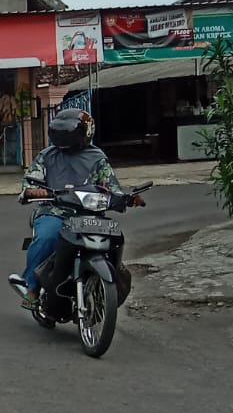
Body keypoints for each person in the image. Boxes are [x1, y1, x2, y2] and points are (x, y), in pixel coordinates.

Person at [9, 107, 140, 308]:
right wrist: (32, 191)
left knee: (113, 240)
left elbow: (111, 186)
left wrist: (127, 198)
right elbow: (30, 182)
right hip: (55, 212)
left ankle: (108, 282)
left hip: (89, 213)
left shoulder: (97, 157)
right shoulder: (46, 156)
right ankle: (31, 287)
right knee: (47, 237)